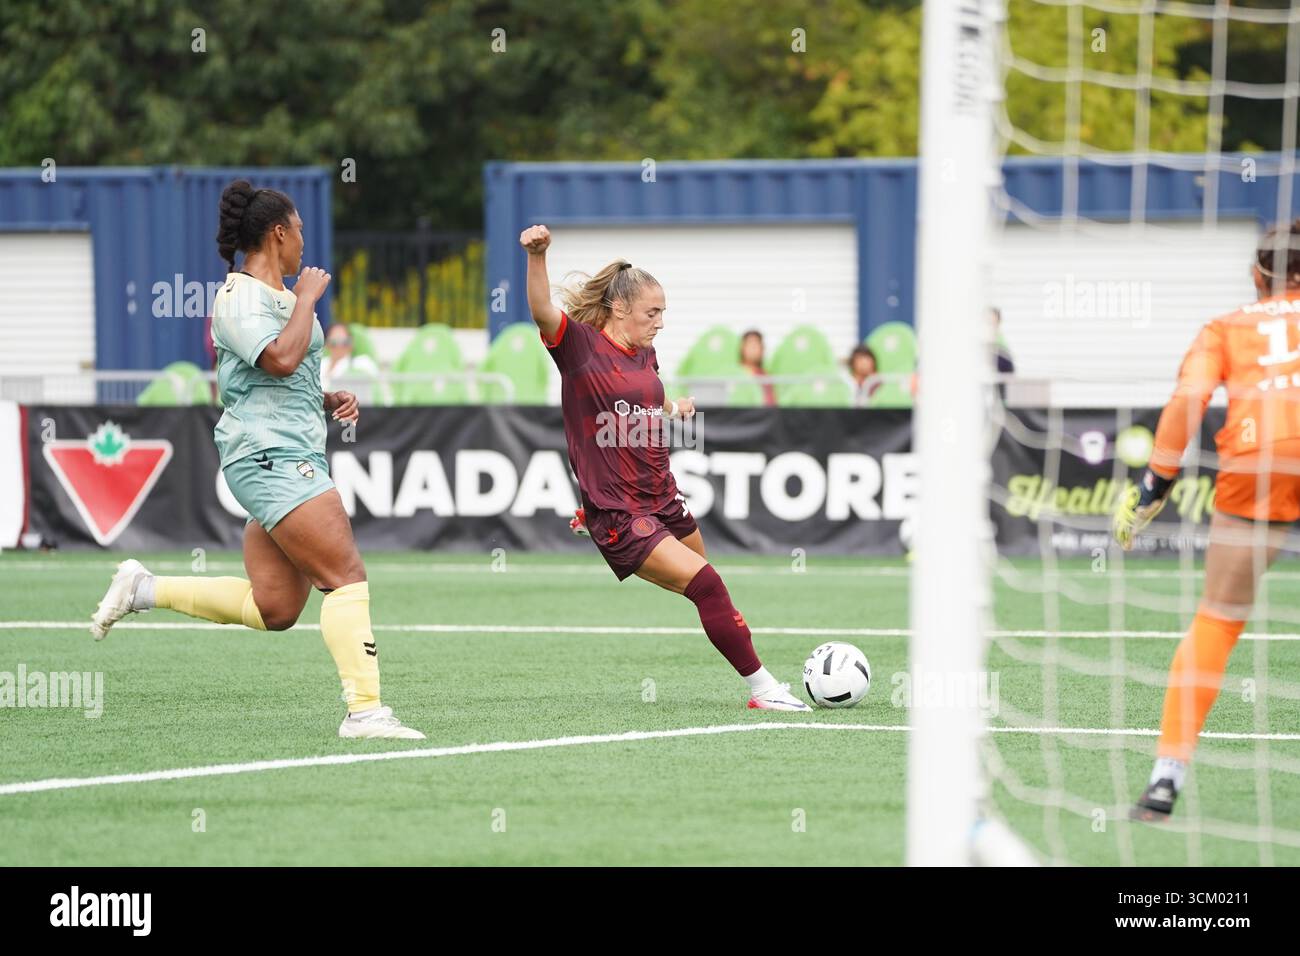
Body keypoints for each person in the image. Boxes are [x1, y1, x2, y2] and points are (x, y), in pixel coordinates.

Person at [91, 179, 424, 740]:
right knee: (345, 576)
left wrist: (326, 397)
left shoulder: (279, 299)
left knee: (276, 608)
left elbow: (279, 377)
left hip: (286, 450)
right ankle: (365, 712)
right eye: (298, 232)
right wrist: (312, 299)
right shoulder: (237, 296)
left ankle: (142, 588)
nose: (302, 245)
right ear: (278, 233)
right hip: (267, 456)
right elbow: (278, 359)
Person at [520, 223, 810, 711]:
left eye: (663, 313)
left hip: (663, 498)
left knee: (709, 584)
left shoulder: (645, 353)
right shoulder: (581, 349)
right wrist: (538, 256)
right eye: (652, 313)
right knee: (708, 586)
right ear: (619, 309)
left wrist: (673, 408)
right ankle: (764, 689)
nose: (660, 322)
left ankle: (758, 680)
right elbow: (541, 310)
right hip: (621, 513)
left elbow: (636, 408)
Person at [1114, 218, 1300, 820]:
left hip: (1259, 459)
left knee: (1218, 620)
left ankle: (1165, 780)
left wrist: (1154, 486)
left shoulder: (1227, 327)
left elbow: (1186, 402)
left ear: (1256, 276)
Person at [321, 323, 380, 392]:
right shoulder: (320, 364)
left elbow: (375, 382)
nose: (339, 346)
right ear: (327, 344)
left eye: (345, 342)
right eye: (334, 342)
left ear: (352, 343)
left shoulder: (361, 363)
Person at [740, 329, 776, 406]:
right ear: (742, 348)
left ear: (762, 349)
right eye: (750, 344)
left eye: (756, 344)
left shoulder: (765, 376)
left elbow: (771, 404)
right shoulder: (734, 374)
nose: (753, 348)